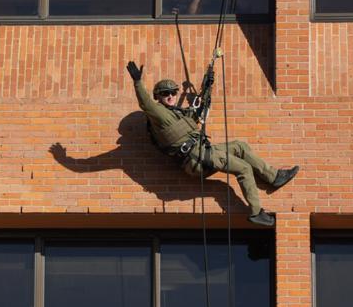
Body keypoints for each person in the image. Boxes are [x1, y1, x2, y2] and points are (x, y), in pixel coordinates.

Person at [127, 60, 298, 226]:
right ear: (158, 97)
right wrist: (137, 82)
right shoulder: (159, 115)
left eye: (173, 92)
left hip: (202, 152)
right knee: (243, 168)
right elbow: (145, 103)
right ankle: (256, 213)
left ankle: (273, 177)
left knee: (240, 146)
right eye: (165, 94)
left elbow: (198, 112)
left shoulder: (180, 115)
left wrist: (207, 87)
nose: (170, 96)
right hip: (196, 159)